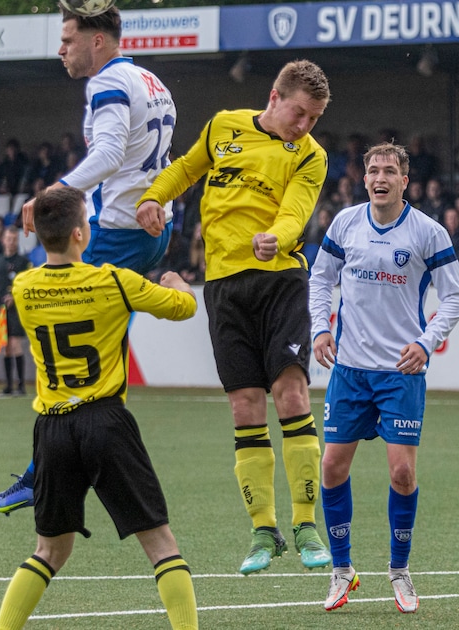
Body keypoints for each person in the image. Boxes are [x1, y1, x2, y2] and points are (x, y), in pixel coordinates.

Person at [0, 5, 181, 516]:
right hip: (150, 229)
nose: (61, 49)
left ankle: (44, 474)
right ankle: (60, 466)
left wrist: (54, 192)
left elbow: (112, 153)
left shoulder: (108, 83)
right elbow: (148, 159)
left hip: (114, 233)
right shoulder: (151, 79)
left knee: (62, 356)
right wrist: (156, 200)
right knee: (94, 356)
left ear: (98, 40)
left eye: (68, 38)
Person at [136, 59, 333, 575]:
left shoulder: (311, 156)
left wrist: (280, 237)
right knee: (245, 407)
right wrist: (155, 196)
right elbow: (184, 169)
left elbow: (296, 211)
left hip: (280, 280)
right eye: (299, 113)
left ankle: (307, 524)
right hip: (223, 286)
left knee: (290, 392)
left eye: (313, 118)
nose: (305, 125)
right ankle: (263, 532)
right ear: (274, 96)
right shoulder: (224, 126)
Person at [0, 186, 198, 630]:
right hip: (104, 422)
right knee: (161, 545)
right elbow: (183, 309)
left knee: (49, 552)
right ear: (82, 233)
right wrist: (179, 284)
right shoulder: (113, 281)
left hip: (50, 430)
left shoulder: (23, 286)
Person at [309, 143, 459, 614]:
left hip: (400, 372)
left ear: (405, 181)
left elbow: (455, 297)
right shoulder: (345, 223)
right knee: (332, 467)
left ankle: (399, 571)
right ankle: (342, 571)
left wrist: (426, 342)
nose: (380, 177)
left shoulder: (428, 231)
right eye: (373, 170)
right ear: (364, 179)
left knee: (402, 473)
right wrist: (320, 327)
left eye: (390, 171)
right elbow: (320, 279)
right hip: (350, 371)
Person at [0, 227, 33, 400]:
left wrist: (15, 296)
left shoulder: (23, 262)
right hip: (2, 310)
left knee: (15, 344)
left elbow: (28, 286)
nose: (11, 242)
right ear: (3, 240)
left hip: (17, 310)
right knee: (6, 348)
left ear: (17, 241)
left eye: (14, 239)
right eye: (8, 239)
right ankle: (9, 385)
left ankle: (21, 385)